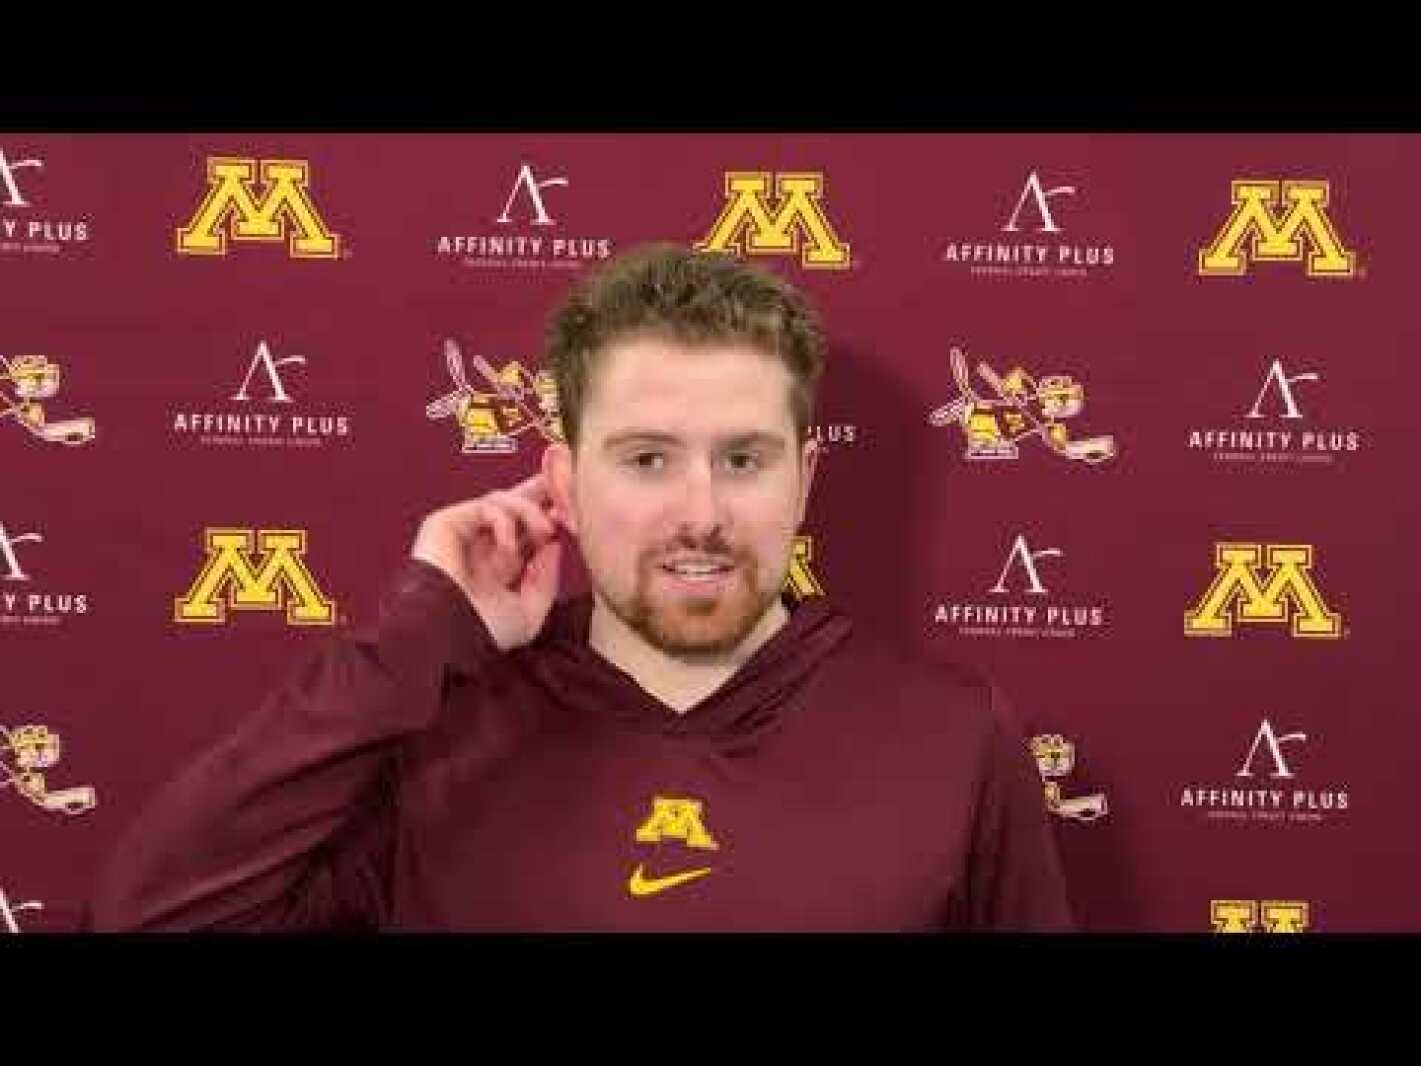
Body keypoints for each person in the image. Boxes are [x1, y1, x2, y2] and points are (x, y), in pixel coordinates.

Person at [88, 243, 1073, 931]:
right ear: (562, 480)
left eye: (743, 458)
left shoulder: (950, 734)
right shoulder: (441, 728)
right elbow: (147, 915)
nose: (700, 512)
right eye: (646, 459)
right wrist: (413, 642)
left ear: (804, 477)